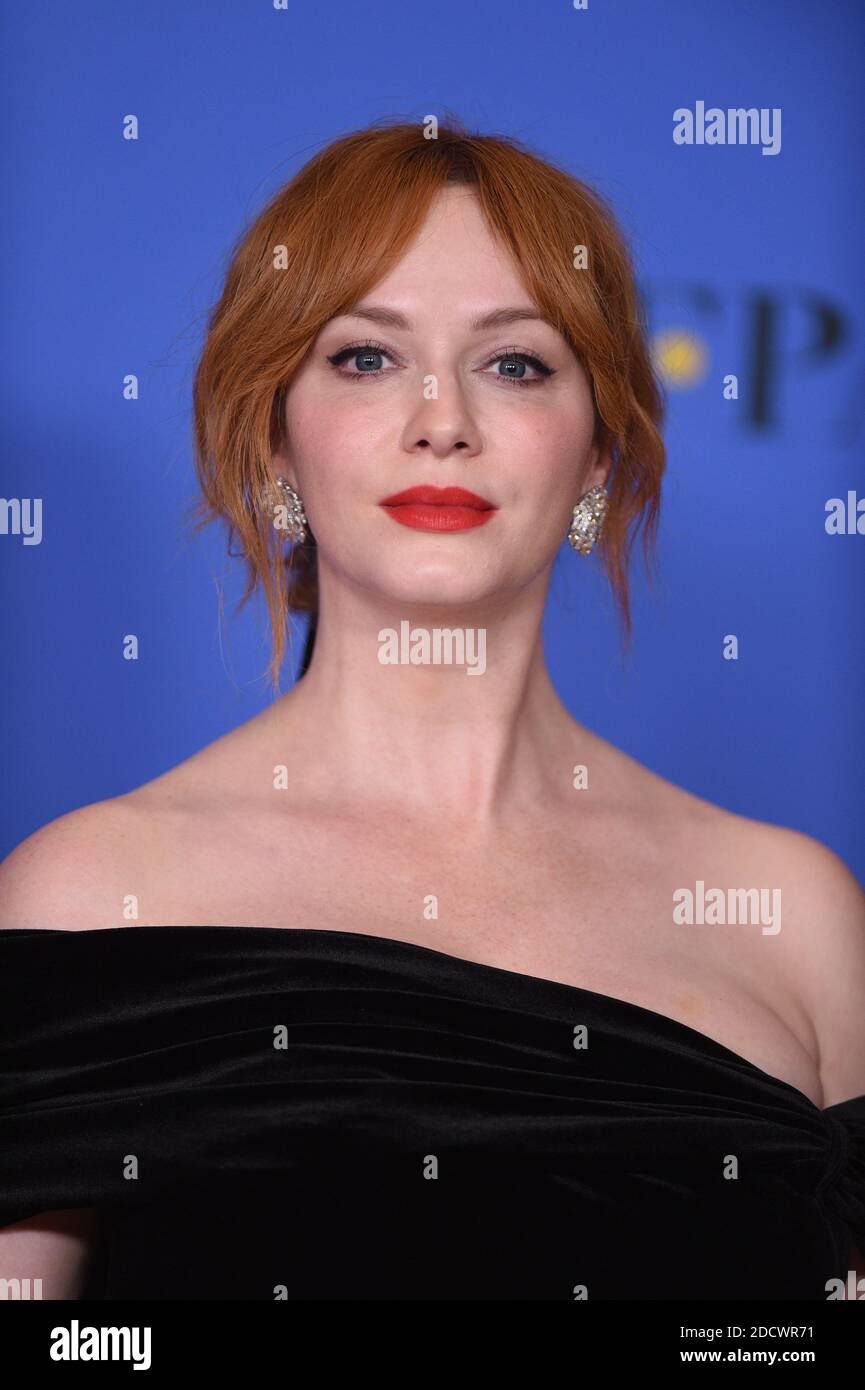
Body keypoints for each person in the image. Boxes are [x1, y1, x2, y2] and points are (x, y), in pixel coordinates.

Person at [1, 121, 863, 1300]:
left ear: (601, 454)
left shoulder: (796, 918)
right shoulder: (91, 895)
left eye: (514, 362)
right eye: (365, 357)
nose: (441, 418)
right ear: (274, 444)